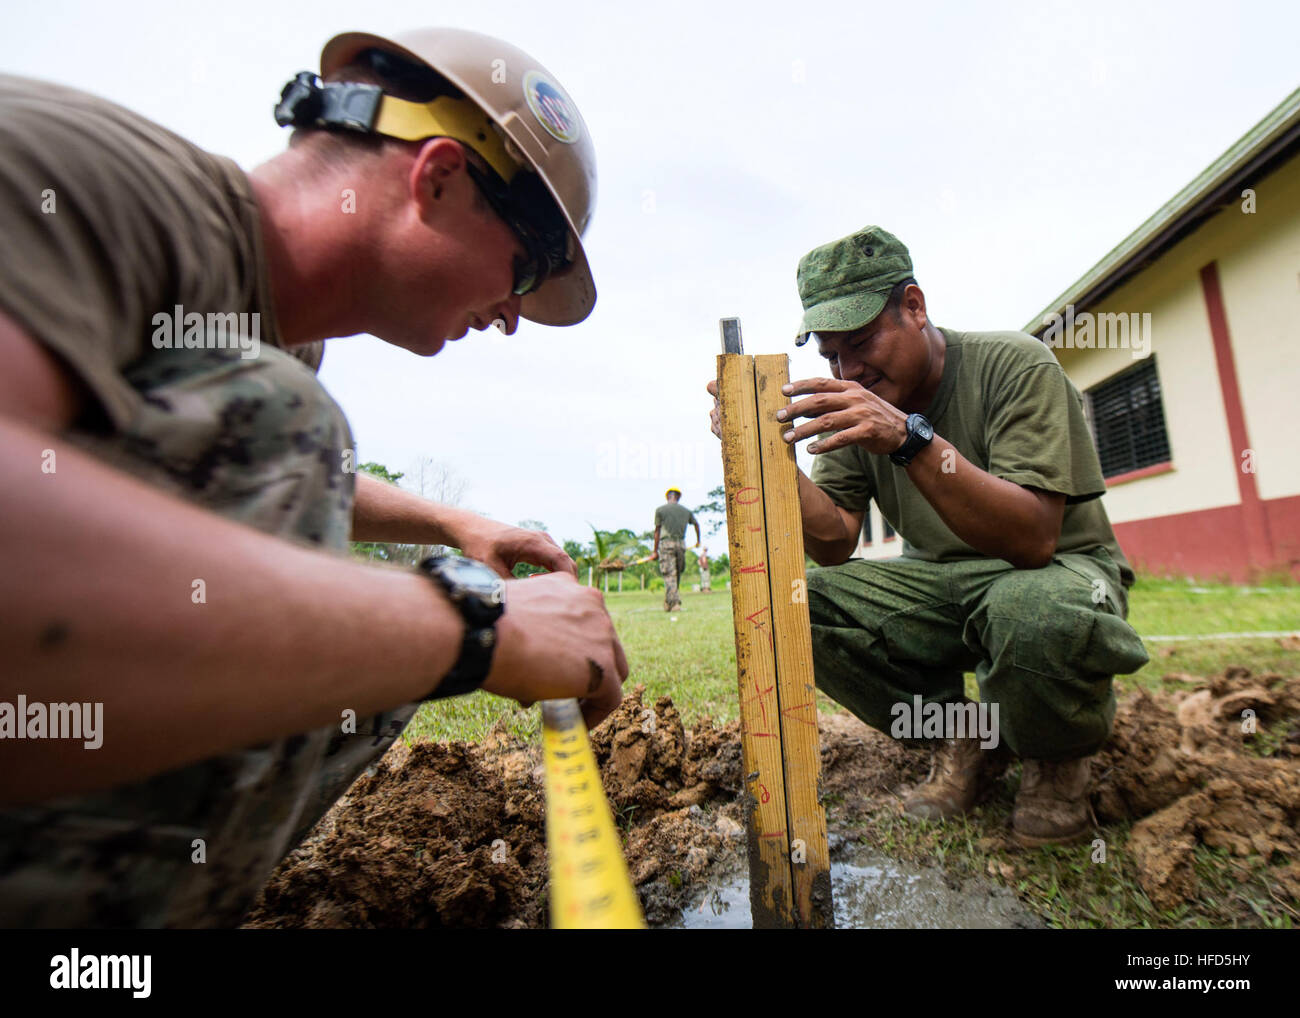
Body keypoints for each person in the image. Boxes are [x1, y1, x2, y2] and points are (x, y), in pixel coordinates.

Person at [0, 27, 628, 928]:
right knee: (299, 444)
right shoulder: (96, 182)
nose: (514, 317)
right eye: (526, 268)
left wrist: (454, 529)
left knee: (369, 633)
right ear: (439, 176)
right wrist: (477, 631)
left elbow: (192, 475)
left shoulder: (281, 329)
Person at [707, 226, 1149, 846]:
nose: (848, 369)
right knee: (793, 603)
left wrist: (907, 438)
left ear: (914, 307)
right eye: (832, 356)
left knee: (1033, 608)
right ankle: (959, 734)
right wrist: (766, 456)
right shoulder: (856, 400)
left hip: (1058, 572)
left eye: (861, 343)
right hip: (942, 582)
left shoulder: (1014, 364)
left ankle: (1054, 762)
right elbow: (834, 539)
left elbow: (1033, 540)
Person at [651, 487, 701, 612]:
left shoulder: (660, 510)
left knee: (669, 574)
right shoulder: (686, 511)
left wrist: (654, 551)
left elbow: (657, 531)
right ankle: (669, 602)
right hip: (681, 545)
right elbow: (696, 524)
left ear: (668, 496)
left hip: (666, 544)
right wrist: (698, 541)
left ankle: (674, 603)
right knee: (676, 574)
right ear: (678, 497)